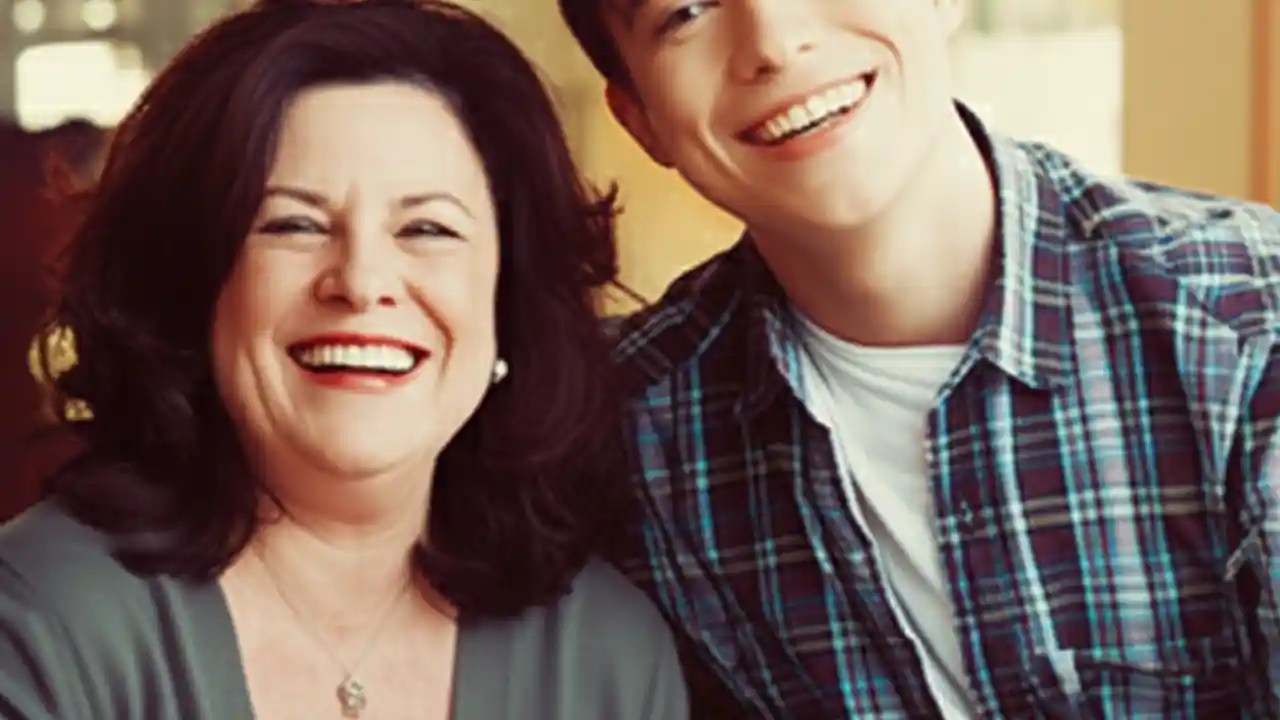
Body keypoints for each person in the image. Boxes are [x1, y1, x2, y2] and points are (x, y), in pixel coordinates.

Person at [557, 0, 1280, 716]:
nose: (774, 41)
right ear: (639, 117)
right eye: (686, 10)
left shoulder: (1248, 313)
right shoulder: (625, 436)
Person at [0, 1, 689, 718]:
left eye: (427, 228)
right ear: (191, 285)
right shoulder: (36, 622)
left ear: (509, 299)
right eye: (293, 224)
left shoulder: (604, 654)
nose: (361, 282)